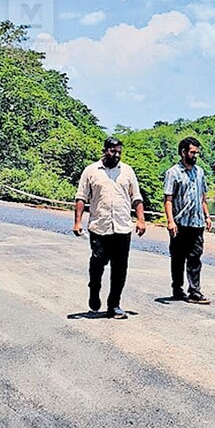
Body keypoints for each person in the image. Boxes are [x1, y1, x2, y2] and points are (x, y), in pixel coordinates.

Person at [73, 137, 147, 319]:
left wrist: (141, 220)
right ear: (105, 150)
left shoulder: (127, 171)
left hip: (122, 227)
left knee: (120, 267)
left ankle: (114, 305)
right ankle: (94, 289)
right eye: (113, 151)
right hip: (99, 226)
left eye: (119, 151)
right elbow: (81, 197)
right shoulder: (91, 171)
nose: (117, 155)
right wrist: (77, 222)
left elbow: (136, 197)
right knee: (98, 262)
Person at [163, 136, 212, 304]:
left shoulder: (200, 172)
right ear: (183, 152)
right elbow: (168, 199)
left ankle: (194, 290)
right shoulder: (173, 173)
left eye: (197, 152)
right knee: (178, 257)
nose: (195, 155)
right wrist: (170, 221)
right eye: (192, 152)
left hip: (197, 223)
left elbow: (202, 198)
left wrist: (207, 216)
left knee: (195, 256)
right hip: (180, 223)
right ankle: (177, 289)